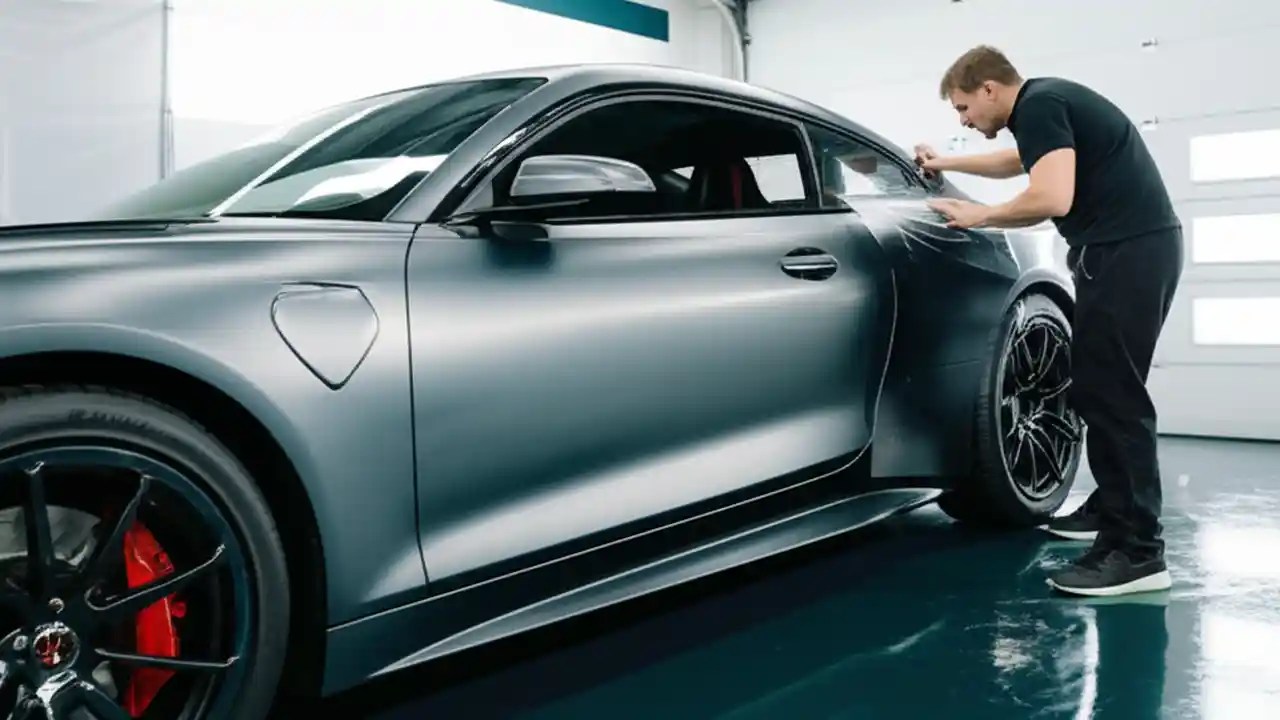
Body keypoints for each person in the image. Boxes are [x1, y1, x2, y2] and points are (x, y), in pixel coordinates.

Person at [917, 46, 1184, 597]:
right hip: (1128, 250)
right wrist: (945, 164)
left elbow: (1052, 195)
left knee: (1113, 395)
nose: (963, 120)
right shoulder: (1045, 105)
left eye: (964, 108)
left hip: (1127, 253)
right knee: (1098, 388)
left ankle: (1137, 551)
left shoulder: (1040, 104)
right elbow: (1021, 162)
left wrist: (981, 216)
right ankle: (1115, 509)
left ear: (990, 89)